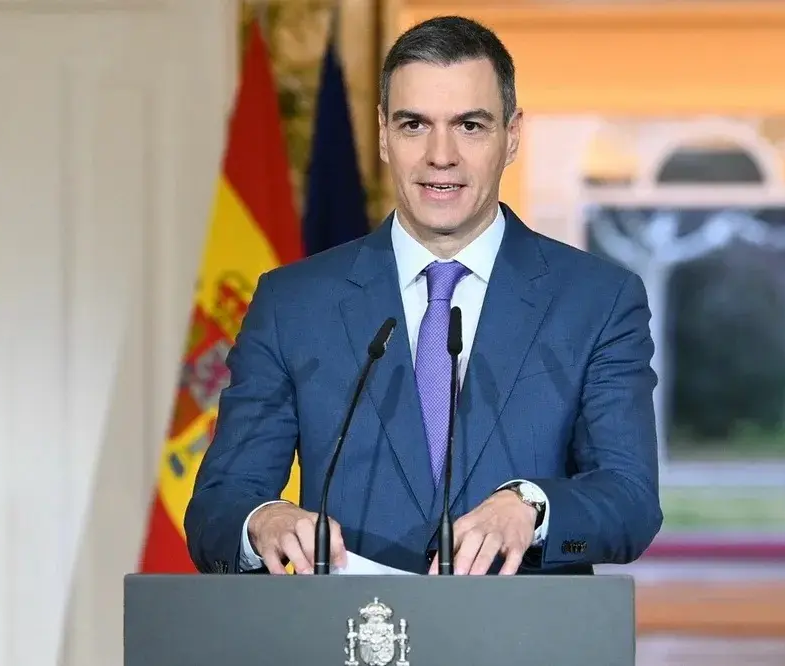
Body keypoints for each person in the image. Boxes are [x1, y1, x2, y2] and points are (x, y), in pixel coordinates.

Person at [184, 15, 662, 576]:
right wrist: (263, 520)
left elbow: (630, 500)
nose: (441, 155)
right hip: (353, 626)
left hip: (524, 627)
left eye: (470, 126)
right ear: (383, 133)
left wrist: (532, 508)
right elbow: (219, 505)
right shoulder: (292, 304)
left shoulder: (597, 301)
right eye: (414, 125)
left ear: (511, 136)